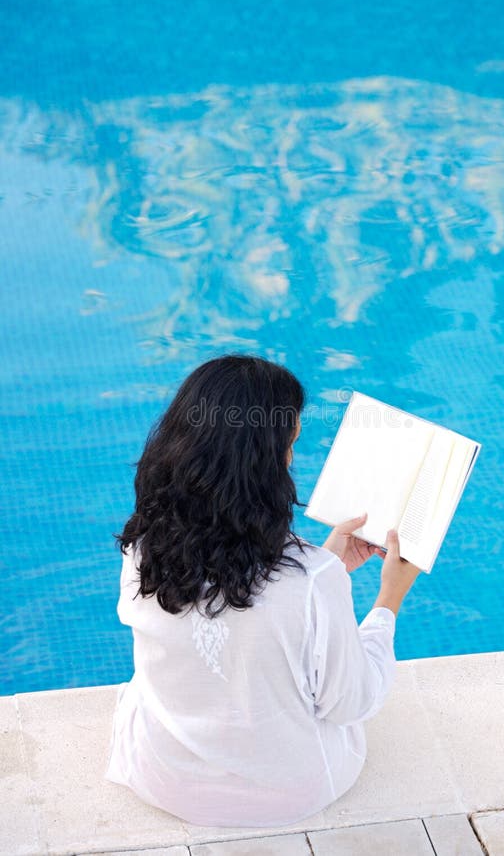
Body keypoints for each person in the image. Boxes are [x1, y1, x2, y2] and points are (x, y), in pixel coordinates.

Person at [105, 354, 421, 827]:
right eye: (288, 447)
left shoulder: (143, 547)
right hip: (287, 794)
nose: (290, 460)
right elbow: (351, 701)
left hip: (161, 776)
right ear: (263, 464)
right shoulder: (311, 581)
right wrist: (388, 600)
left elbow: (247, 612)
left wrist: (328, 565)